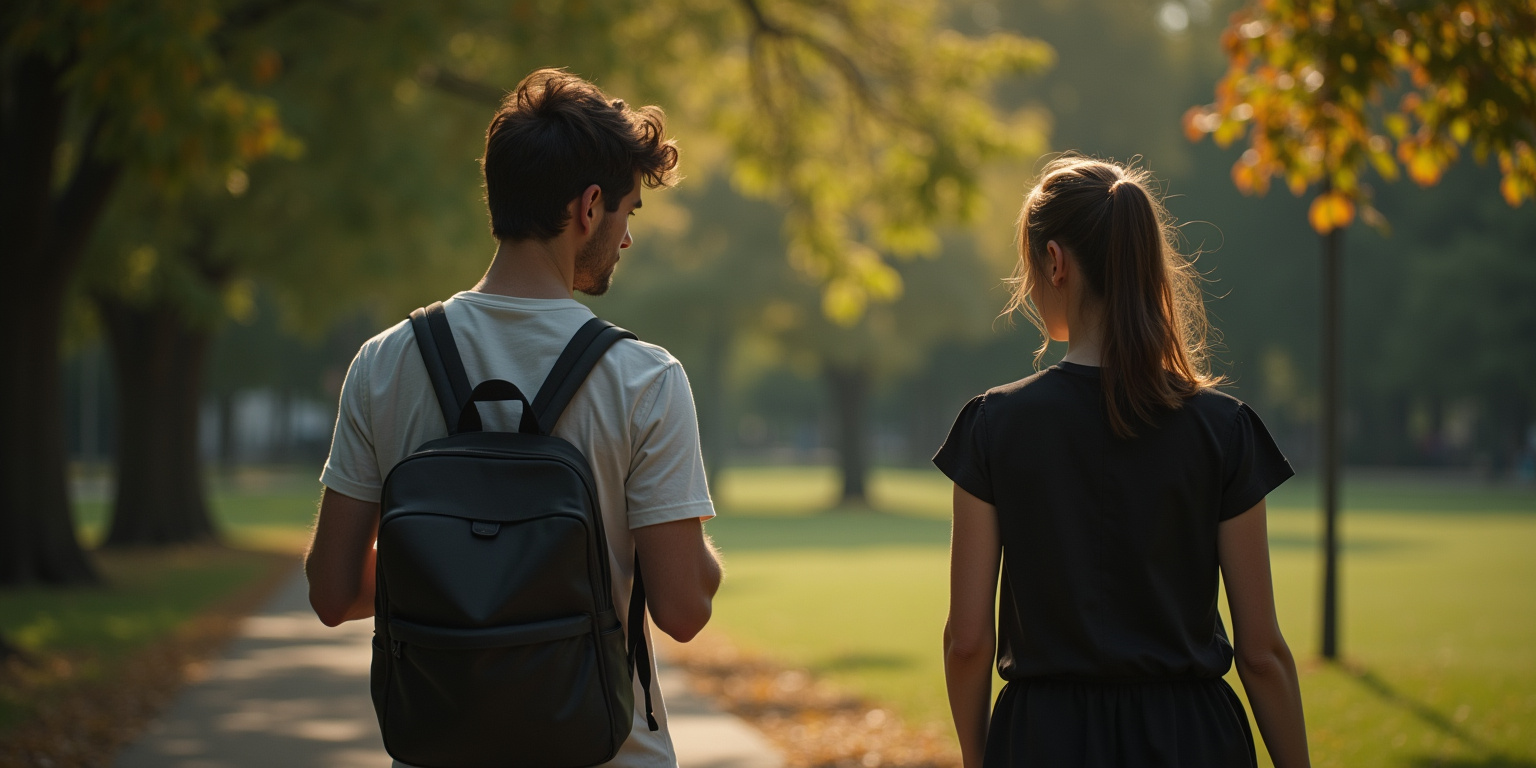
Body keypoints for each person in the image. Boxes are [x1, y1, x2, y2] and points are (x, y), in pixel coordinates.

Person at [305, 68, 724, 767]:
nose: (624, 237)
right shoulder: (644, 378)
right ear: (589, 207)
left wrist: (463, 573)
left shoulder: (383, 363)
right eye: (627, 212)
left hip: (443, 746)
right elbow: (684, 611)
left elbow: (331, 591)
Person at [936, 156, 1310, 768]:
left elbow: (968, 642)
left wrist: (981, 759)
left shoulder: (992, 426)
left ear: (1055, 262)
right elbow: (1262, 652)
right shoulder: (1225, 429)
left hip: (1043, 742)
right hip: (1195, 740)